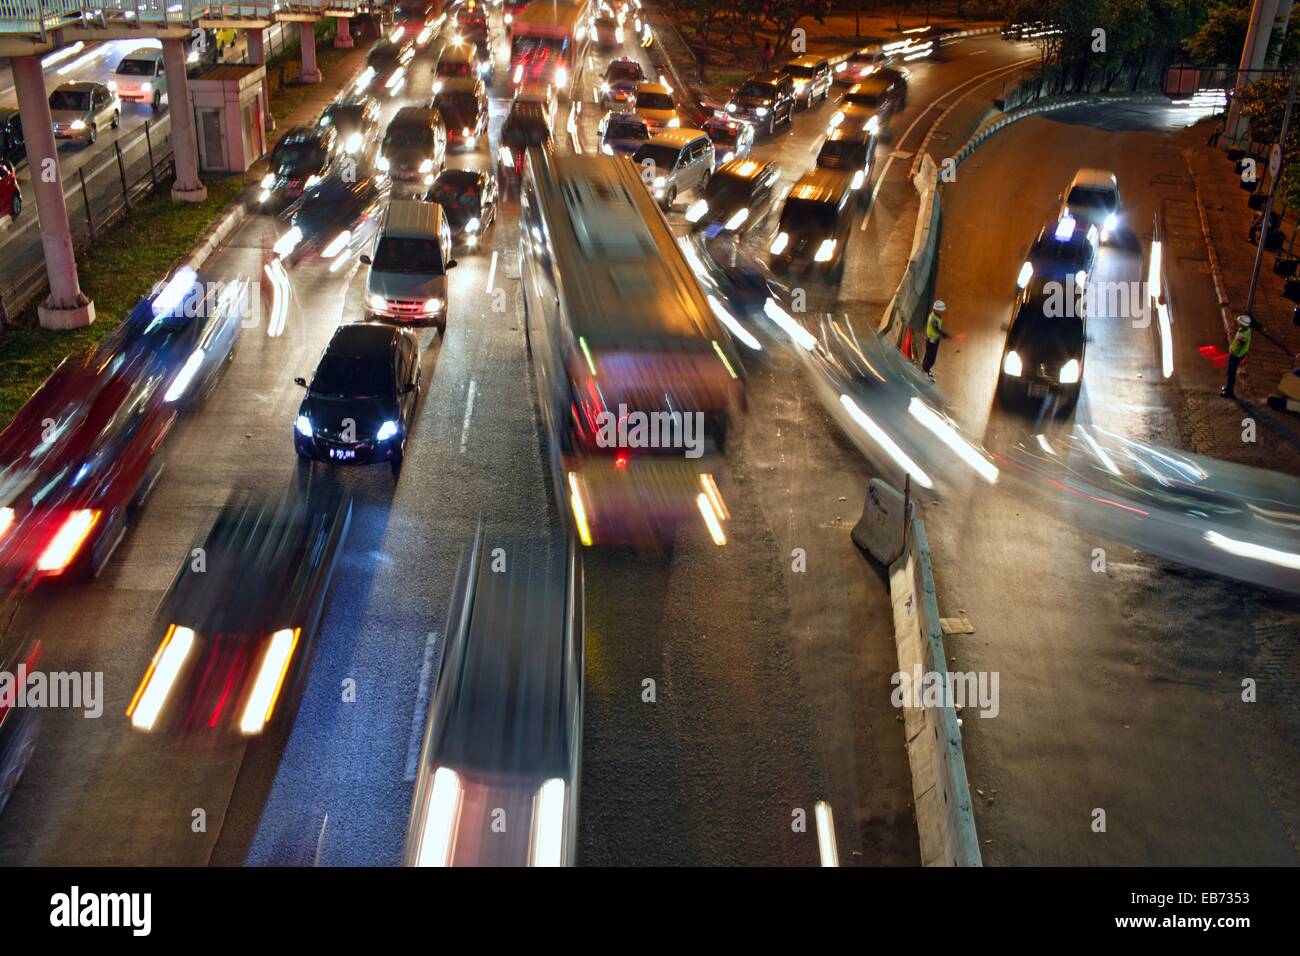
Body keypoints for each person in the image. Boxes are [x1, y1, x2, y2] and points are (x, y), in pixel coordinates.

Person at [1221, 314, 1252, 398]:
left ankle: (1229, 391)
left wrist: (1233, 353)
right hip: (1236, 354)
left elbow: (1239, 345)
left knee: (1231, 373)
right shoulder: (1245, 330)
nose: (1239, 323)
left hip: (1236, 355)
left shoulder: (1243, 335)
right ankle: (1228, 388)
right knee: (1230, 372)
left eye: (1240, 323)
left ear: (1243, 324)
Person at [922, 300, 951, 376]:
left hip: (932, 339)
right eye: (942, 310)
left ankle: (925, 368)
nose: (943, 312)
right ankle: (926, 370)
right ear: (938, 310)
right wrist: (945, 334)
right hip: (932, 340)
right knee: (931, 357)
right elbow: (936, 329)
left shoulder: (933, 315)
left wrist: (943, 335)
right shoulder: (934, 319)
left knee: (928, 355)